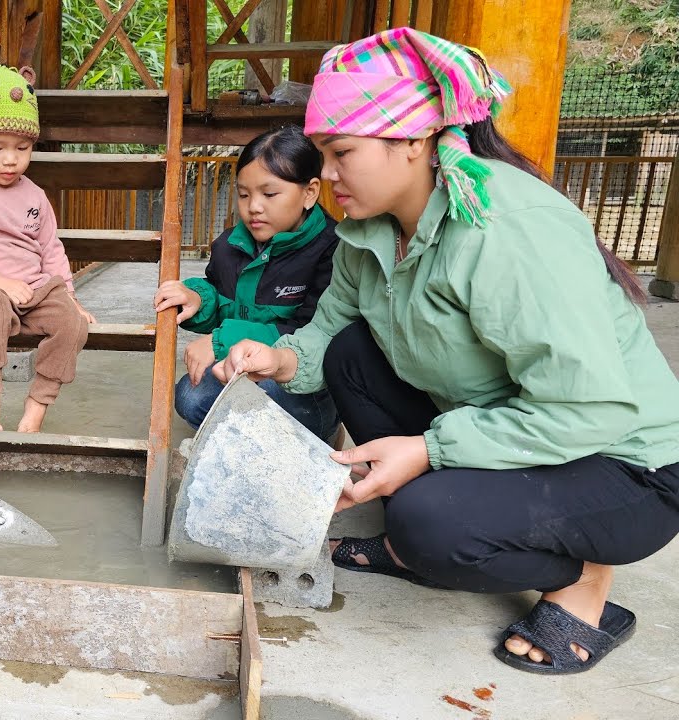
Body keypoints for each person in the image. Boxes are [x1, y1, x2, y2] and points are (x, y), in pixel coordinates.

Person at [216, 27, 679, 675]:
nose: (325, 172)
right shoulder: (369, 234)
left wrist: (430, 451)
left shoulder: (505, 232)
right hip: (510, 426)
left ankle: (582, 582)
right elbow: (326, 338)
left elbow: (589, 410)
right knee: (353, 354)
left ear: (412, 140)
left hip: (618, 462)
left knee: (429, 525)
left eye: (341, 150)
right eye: (322, 152)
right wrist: (278, 359)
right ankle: (440, 524)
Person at [0, 64, 95, 433]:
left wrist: (70, 297)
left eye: (22, 148)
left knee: (73, 326)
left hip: (36, 288)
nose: (11, 158)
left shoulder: (35, 195)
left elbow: (50, 248)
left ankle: (36, 408)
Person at [154, 126, 340, 439]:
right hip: (239, 370)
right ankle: (262, 443)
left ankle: (316, 432)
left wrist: (218, 342)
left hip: (299, 382)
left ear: (309, 192)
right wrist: (199, 299)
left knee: (263, 394)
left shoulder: (332, 249)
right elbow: (222, 300)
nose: (253, 206)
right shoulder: (229, 245)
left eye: (269, 194)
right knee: (189, 395)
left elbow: (312, 331)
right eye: (244, 194)